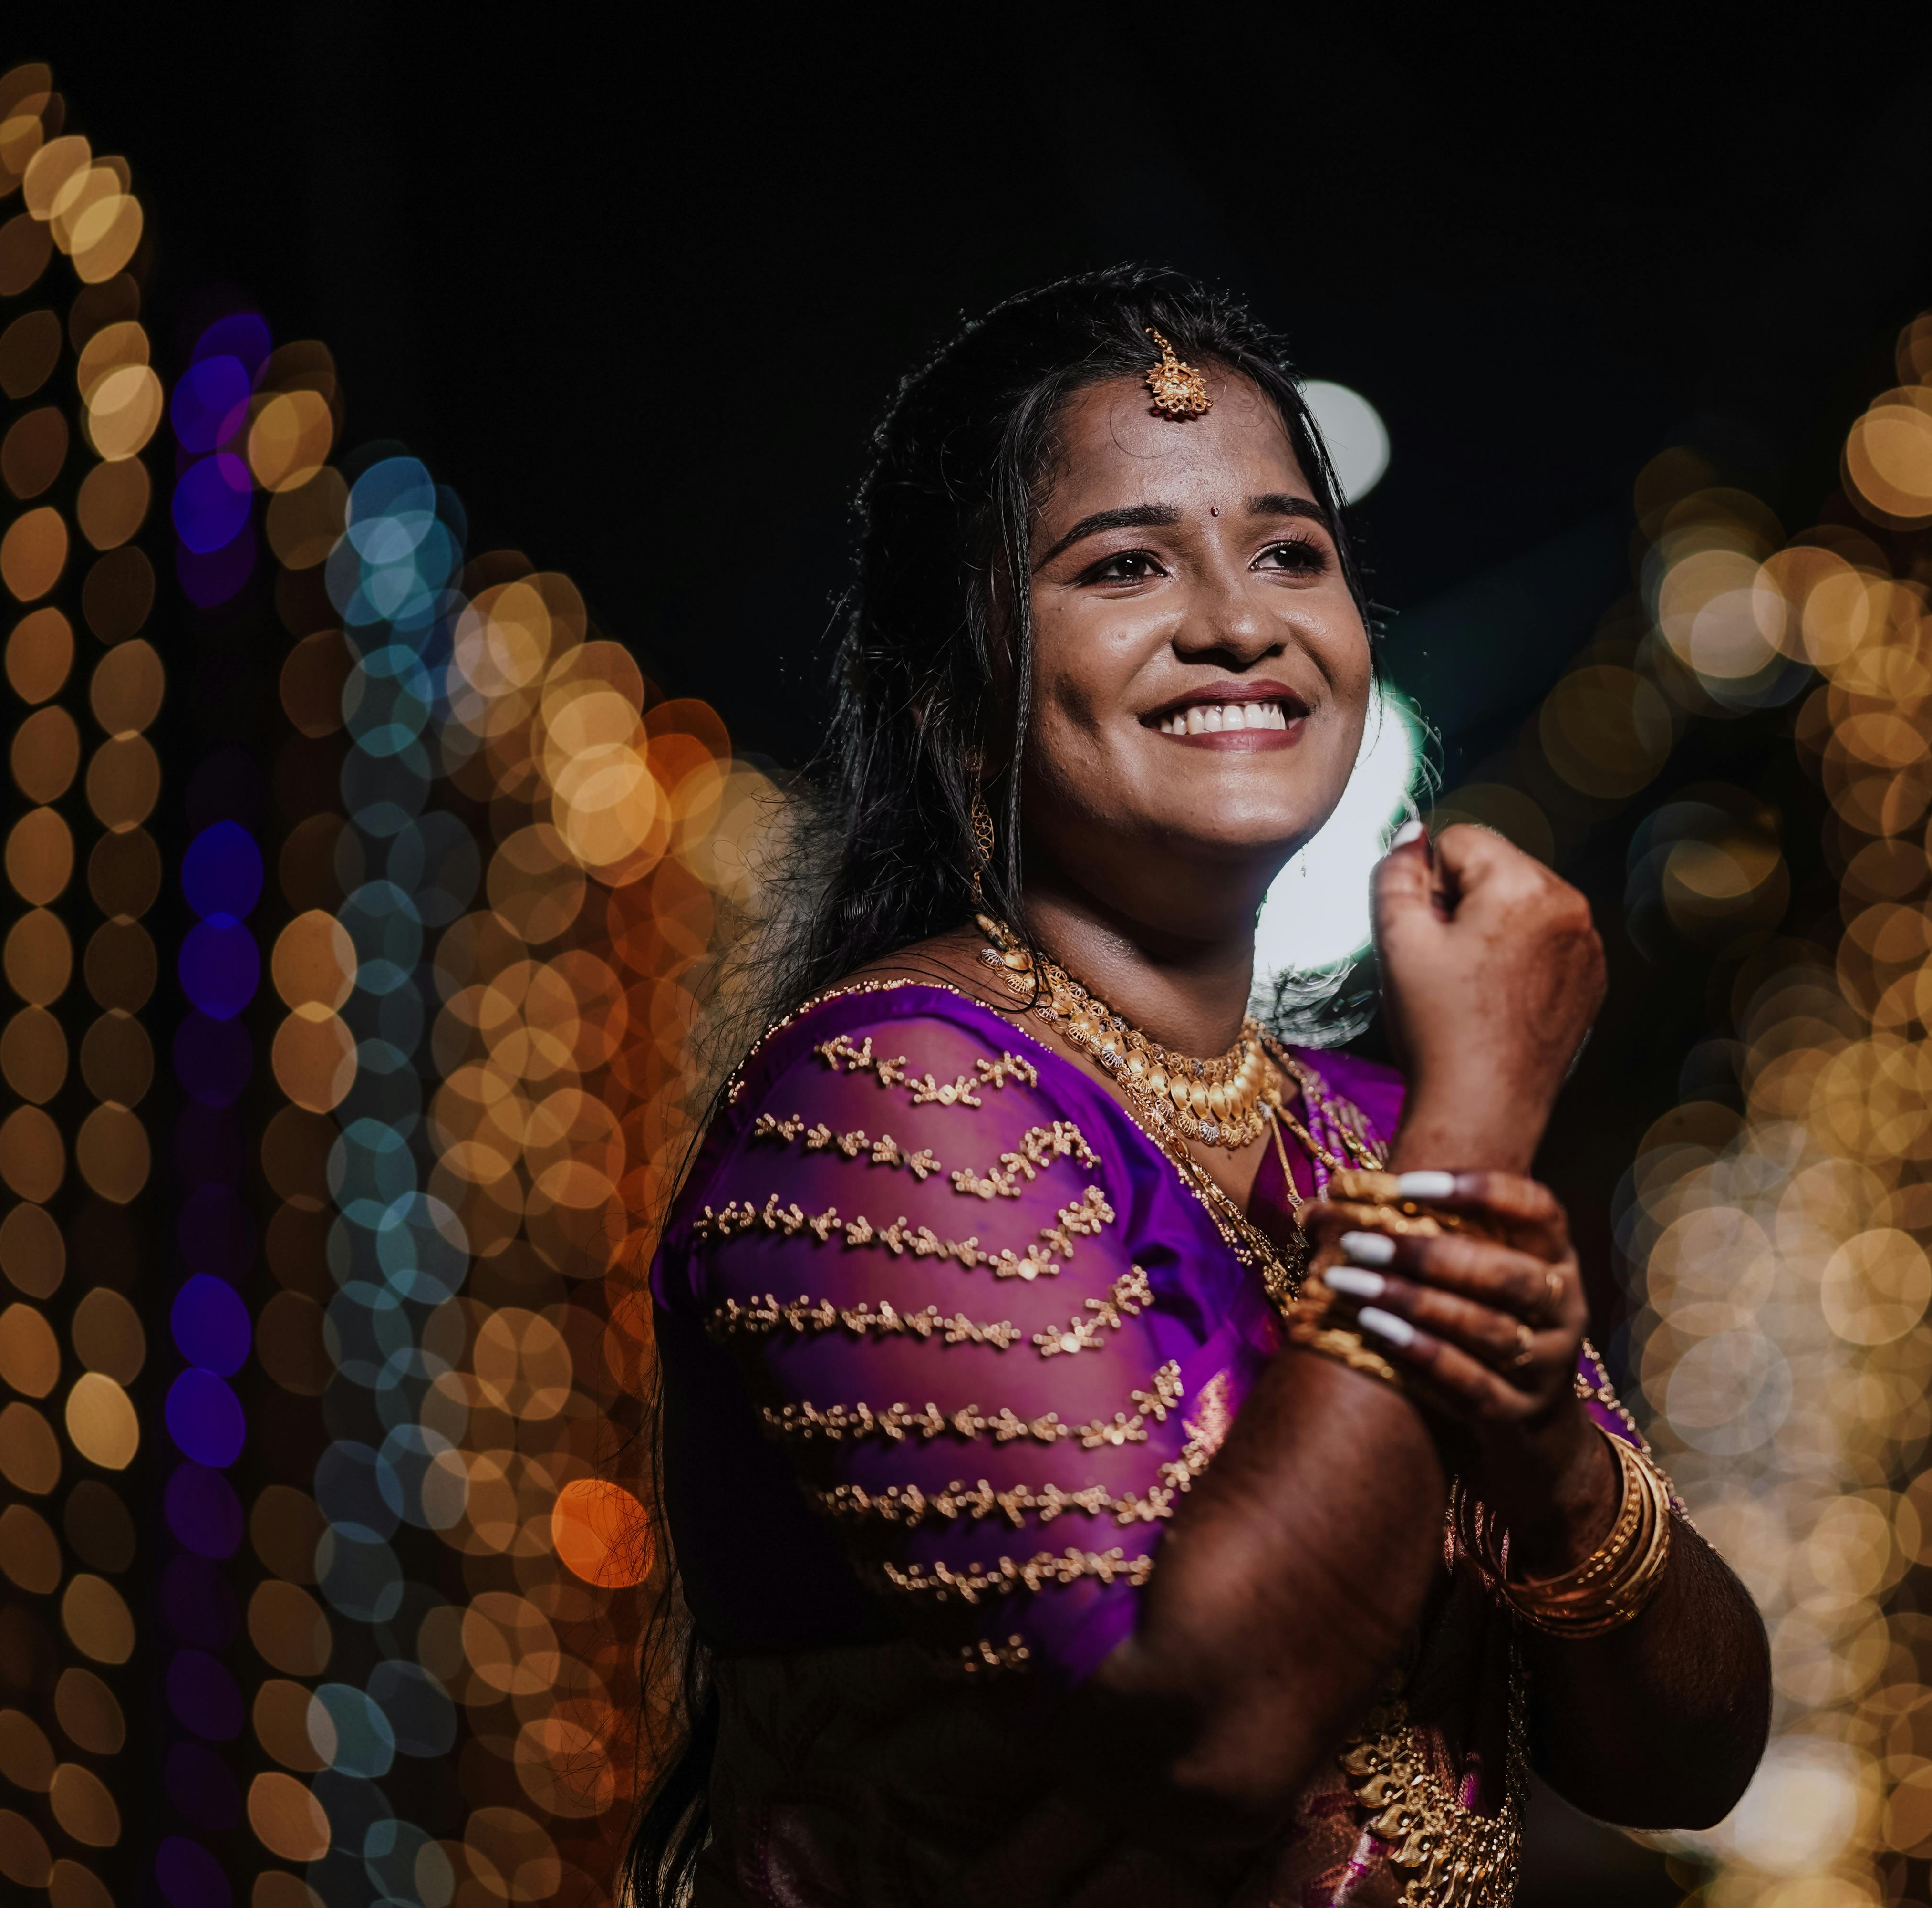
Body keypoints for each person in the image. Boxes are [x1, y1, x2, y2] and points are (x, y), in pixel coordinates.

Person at [632, 266, 1770, 1906]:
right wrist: (1473, 1139)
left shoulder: (1362, 1130)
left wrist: (1554, 1462)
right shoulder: (885, 1096)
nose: (1243, 621)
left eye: (1292, 551)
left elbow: (1685, 1761)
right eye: (1126, 563)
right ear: (955, 697)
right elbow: (1207, 1735)